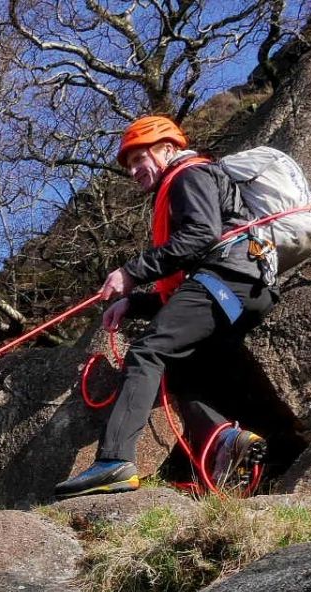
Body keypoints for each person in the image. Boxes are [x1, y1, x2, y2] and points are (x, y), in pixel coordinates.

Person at [54, 115, 276, 499]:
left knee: (146, 351)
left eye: (141, 158)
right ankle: (228, 445)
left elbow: (201, 236)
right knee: (183, 372)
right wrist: (132, 303)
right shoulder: (188, 181)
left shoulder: (189, 175)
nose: (136, 171)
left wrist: (130, 272)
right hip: (241, 288)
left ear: (169, 150)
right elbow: (186, 279)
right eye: (130, 165)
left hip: (226, 280)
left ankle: (114, 462)